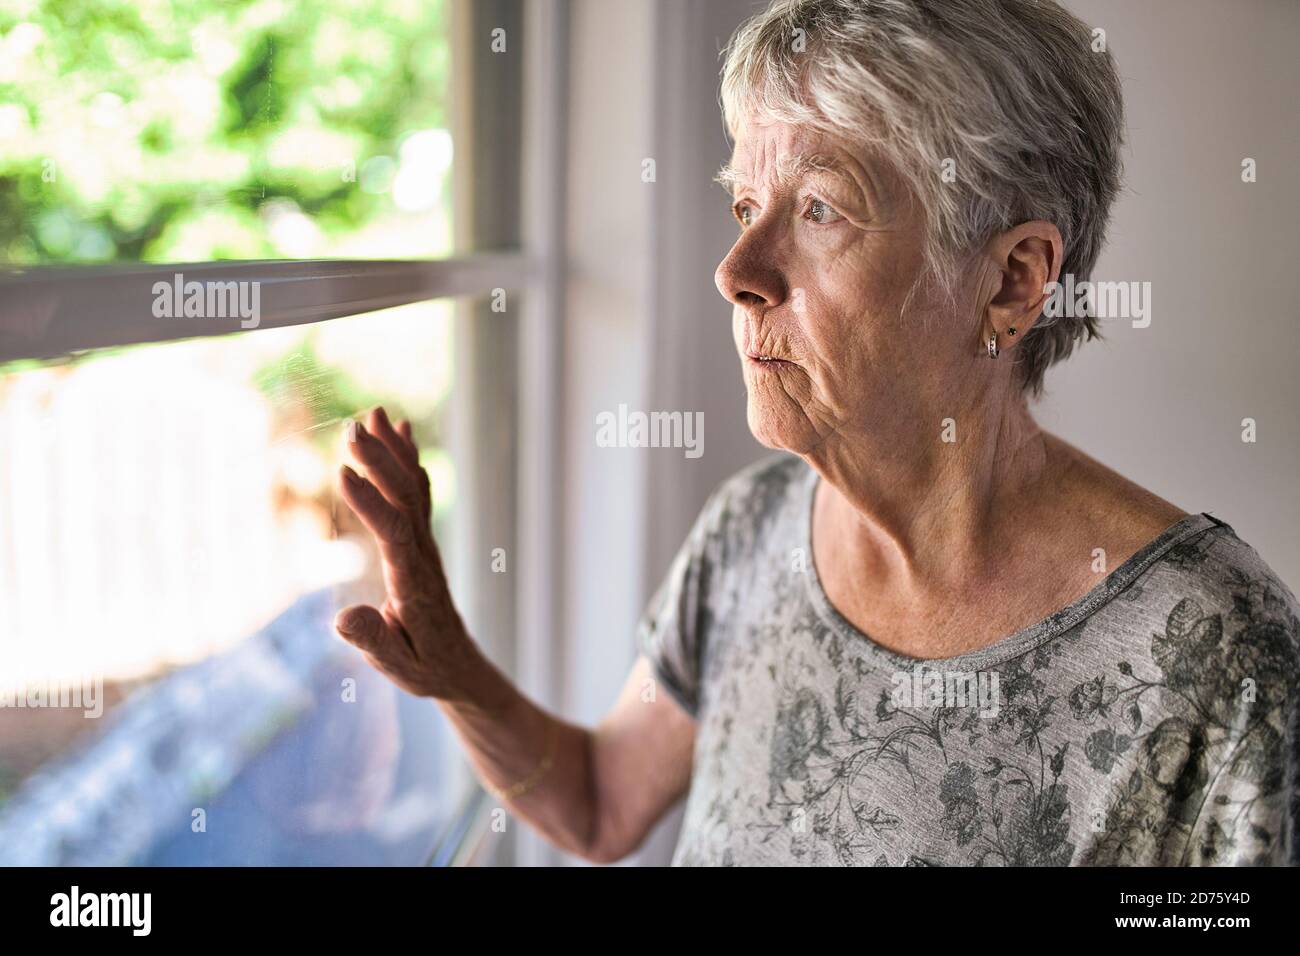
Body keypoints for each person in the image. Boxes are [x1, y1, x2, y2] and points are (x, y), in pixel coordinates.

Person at [333, 0, 1299, 865]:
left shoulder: (1218, 658)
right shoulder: (747, 533)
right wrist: (454, 667)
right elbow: (601, 807)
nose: (736, 268)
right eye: (746, 206)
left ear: (1010, 281)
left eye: (821, 208)